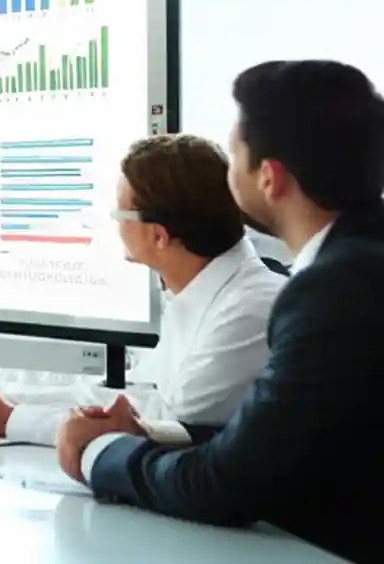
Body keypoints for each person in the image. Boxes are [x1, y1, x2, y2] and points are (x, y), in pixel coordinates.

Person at [57, 60, 384, 563]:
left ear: (270, 178)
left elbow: (226, 485)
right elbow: (276, 437)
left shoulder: (333, 290)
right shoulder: (355, 263)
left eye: (234, 154)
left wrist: (100, 456)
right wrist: (148, 435)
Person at [0, 134, 284, 445]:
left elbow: (155, 428)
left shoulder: (247, 313)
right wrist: (8, 400)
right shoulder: (199, 291)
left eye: (121, 214)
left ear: (159, 235)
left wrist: (8, 419)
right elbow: (136, 396)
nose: (115, 223)